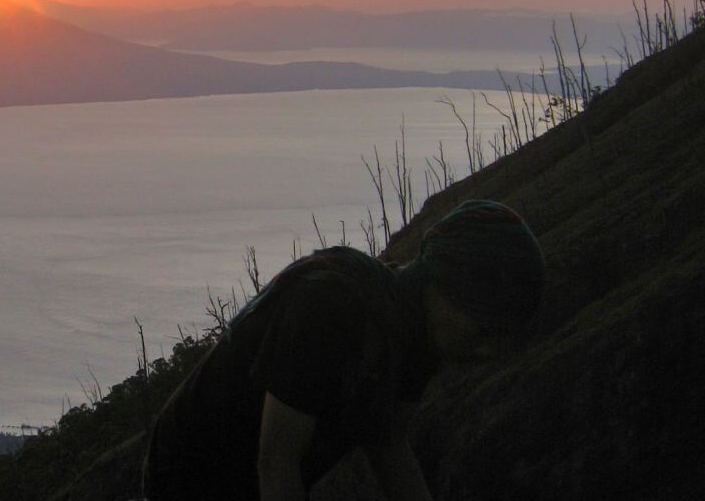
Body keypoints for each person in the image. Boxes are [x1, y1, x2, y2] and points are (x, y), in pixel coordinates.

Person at [142, 199, 544, 501]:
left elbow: (388, 445)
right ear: (442, 289)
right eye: (483, 328)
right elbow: (277, 462)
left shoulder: (414, 342)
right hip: (187, 477)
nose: (486, 351)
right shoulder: (330, 307)